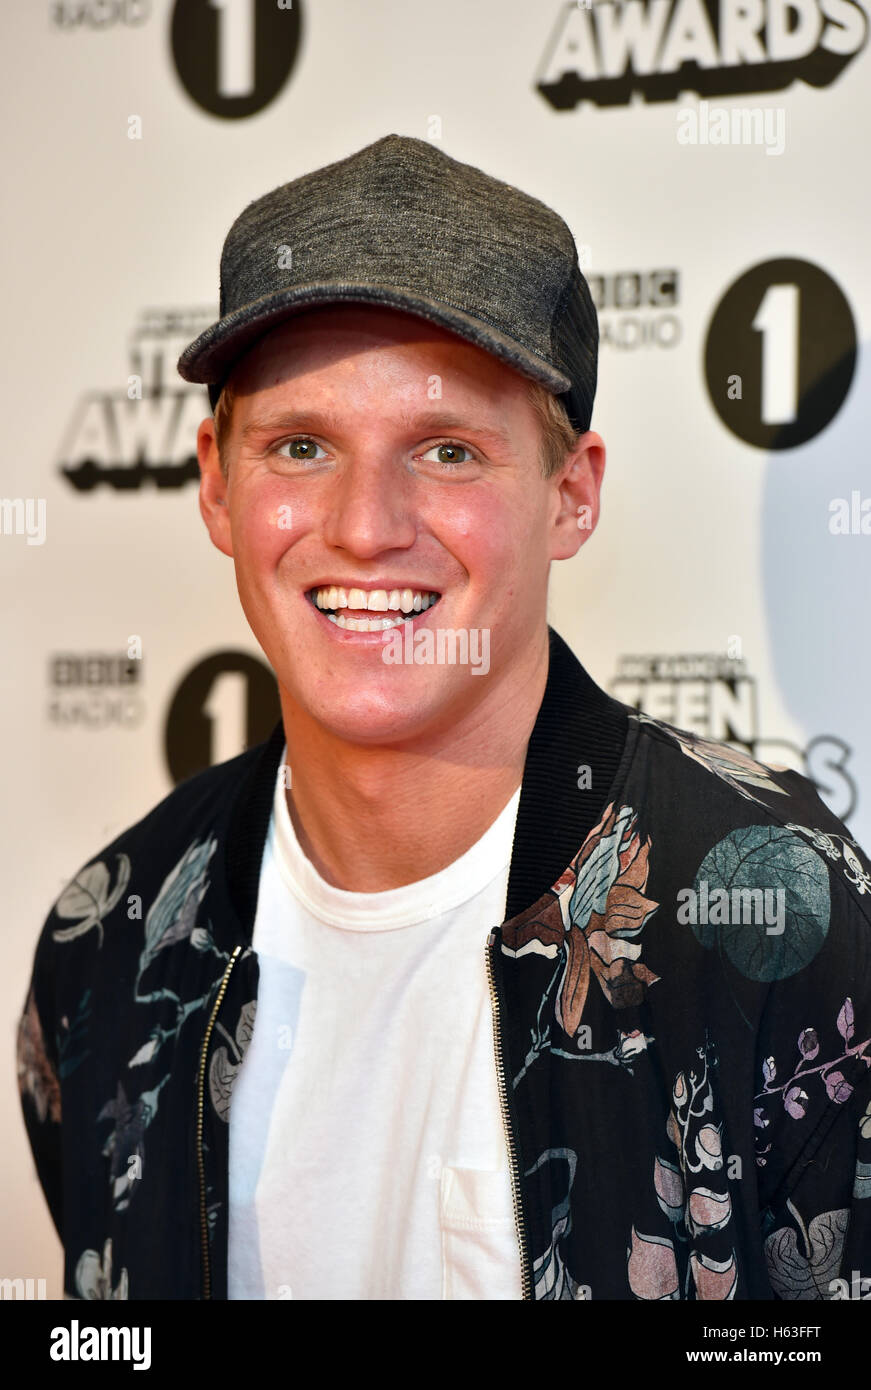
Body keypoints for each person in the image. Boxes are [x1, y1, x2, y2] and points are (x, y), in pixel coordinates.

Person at [17, 134, 871, 1302]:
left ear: (570, 494)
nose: (365, 526)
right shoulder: (107, 939)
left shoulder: (776, 913)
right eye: (301, 446)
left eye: (447, 449)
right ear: (216, 481)